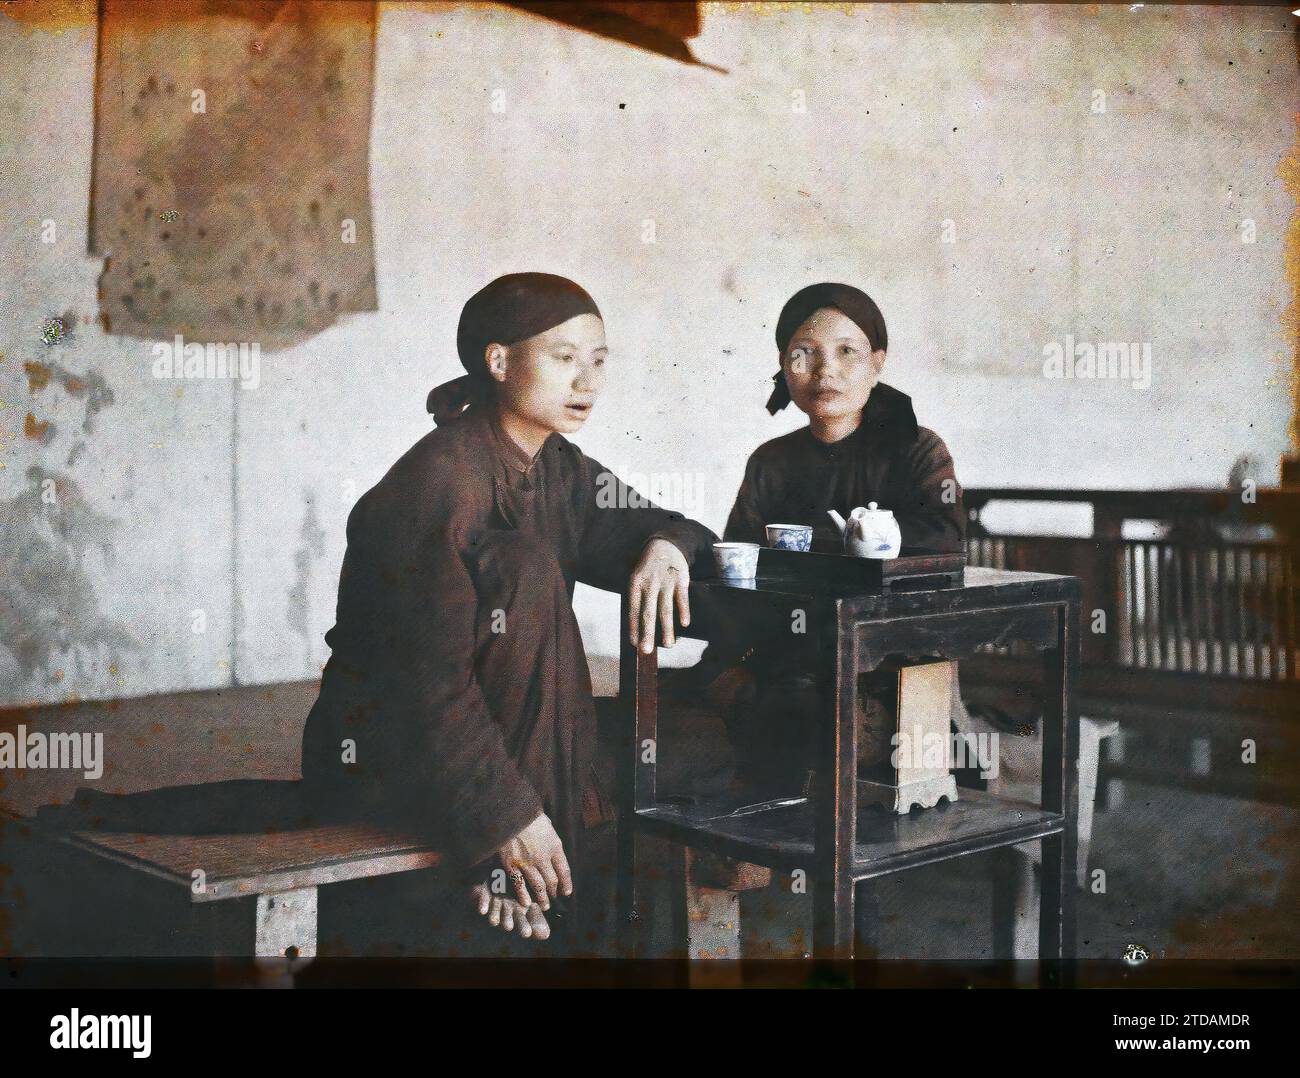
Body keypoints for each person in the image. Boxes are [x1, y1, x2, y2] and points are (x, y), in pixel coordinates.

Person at [301, 272, 717, 956]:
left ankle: (538, 892)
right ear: (498, 362)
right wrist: (505, 817)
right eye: (563, 357)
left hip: (502, 730)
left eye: (598, 359)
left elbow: (662, 521)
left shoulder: (558, 466)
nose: (586, 380)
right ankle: (530, 891)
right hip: (386, 746)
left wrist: (668, 547)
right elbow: (425, 686)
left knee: (695, 749)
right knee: (526, 571)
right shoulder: (439, 481)